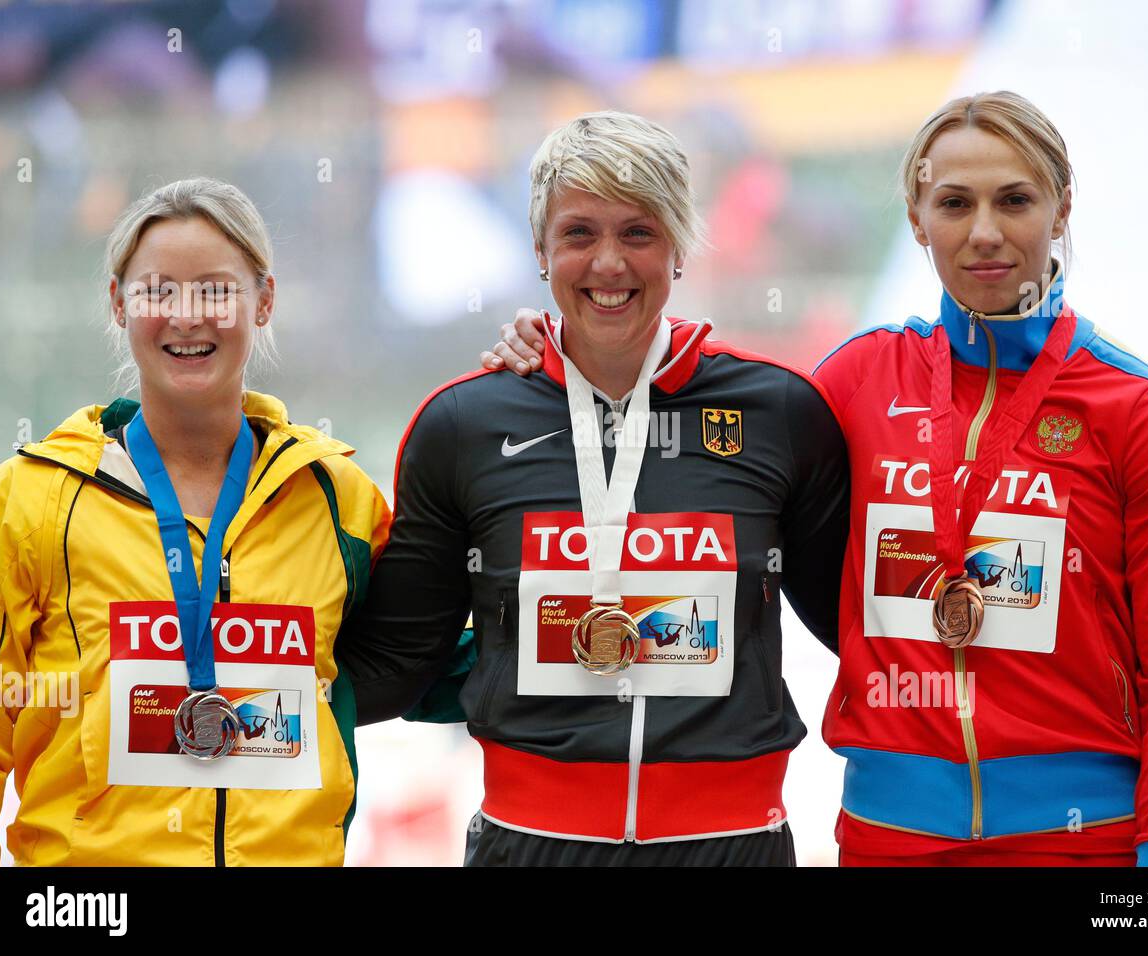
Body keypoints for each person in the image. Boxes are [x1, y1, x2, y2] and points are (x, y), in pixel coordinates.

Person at [485, 91, 1148, 867]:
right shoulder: (856, 381)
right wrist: (559, 353)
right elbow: (701, 400)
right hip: (888, 836)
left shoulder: (1139, 412)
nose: (985, 232)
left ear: (1061, 207)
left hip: (1084, 838)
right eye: (954, 202)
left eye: (1014, 200)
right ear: (917, 219)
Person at [338, 111, 849, 866]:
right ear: (542, 253)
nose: (608, 263)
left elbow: (864, 627)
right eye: (579, 234)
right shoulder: (466, 424)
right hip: (531, 845)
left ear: (678, 249)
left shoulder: (777, 412)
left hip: (732, 845)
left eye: (638, 233)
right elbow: (400, 660)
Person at [0, 178, 391, 866]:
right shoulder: (29, 500)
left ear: (264, 301)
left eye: (218, 290)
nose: (188, 315)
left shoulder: (337, 499)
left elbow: (429, 655)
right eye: (158, 290)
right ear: (118, 304)